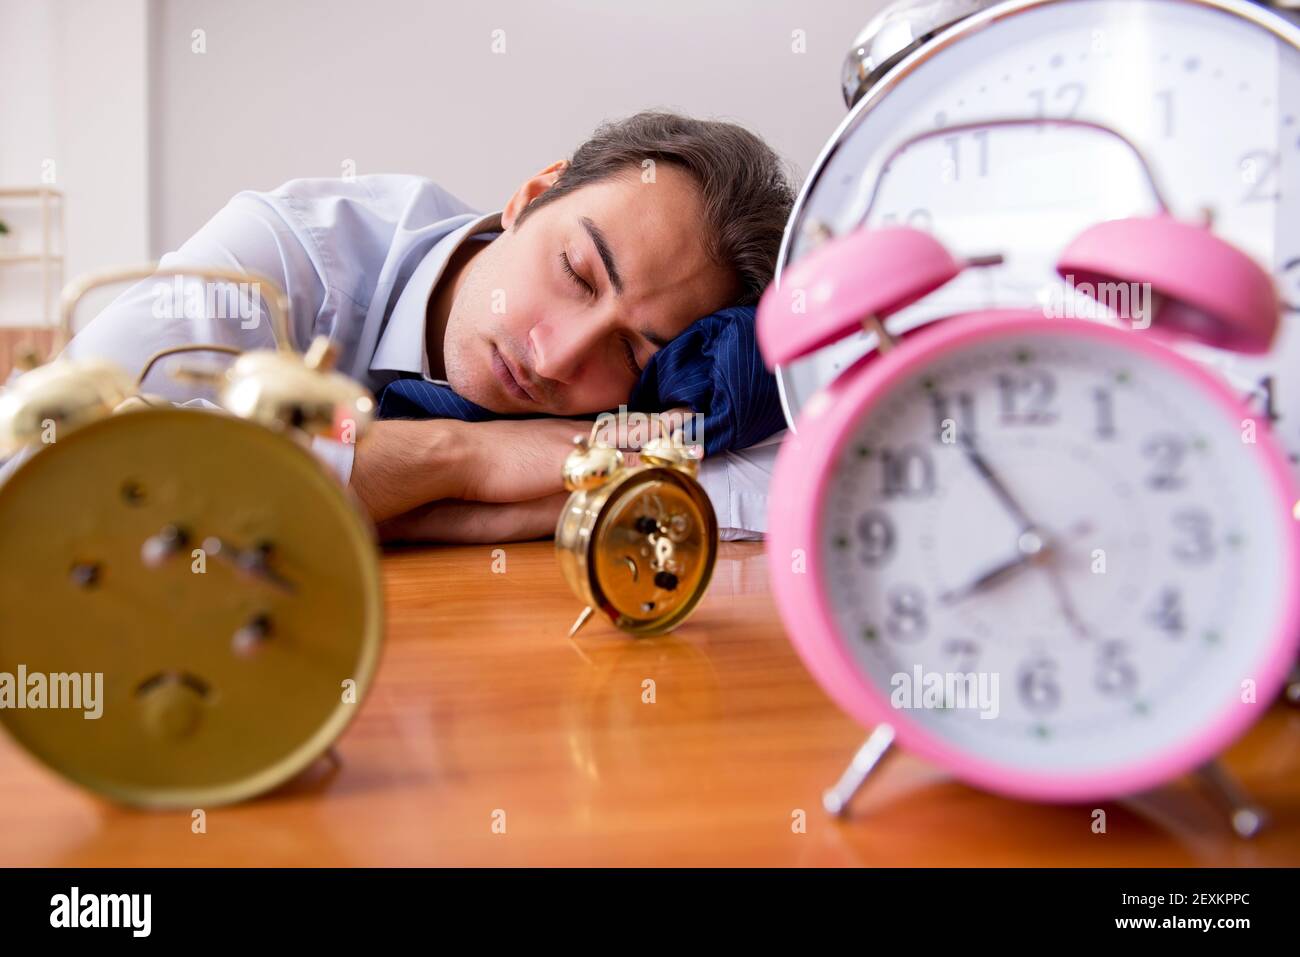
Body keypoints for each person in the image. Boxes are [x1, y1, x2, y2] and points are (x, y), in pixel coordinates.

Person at [14, 111, 794, 542]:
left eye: (630, 348)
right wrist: (457, 456)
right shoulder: (283, 255)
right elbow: (34, 477)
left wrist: (524, 499)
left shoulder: (630, 409)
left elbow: (783, 488)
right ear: (533, 193)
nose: (556, 356)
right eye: (577, 274)